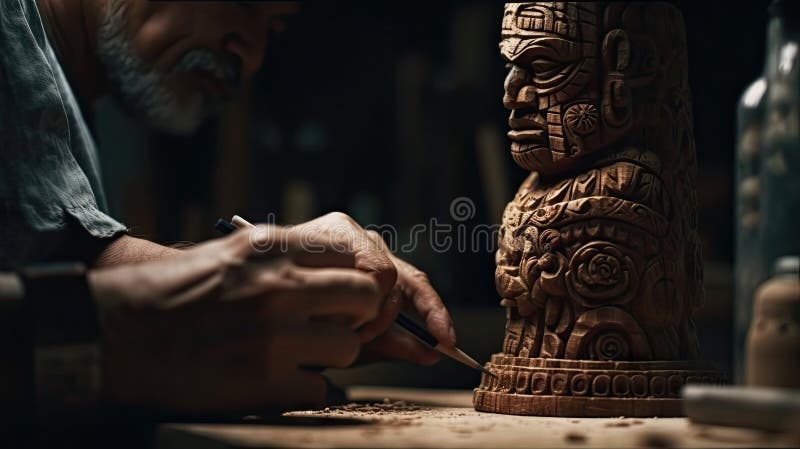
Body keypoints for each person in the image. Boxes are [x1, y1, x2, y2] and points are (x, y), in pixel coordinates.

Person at [0, 0, 455, 413]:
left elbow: (63, 268)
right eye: (243, 4)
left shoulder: (70, 97)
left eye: (272, 25)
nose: (251, 57)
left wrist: (285, 299)